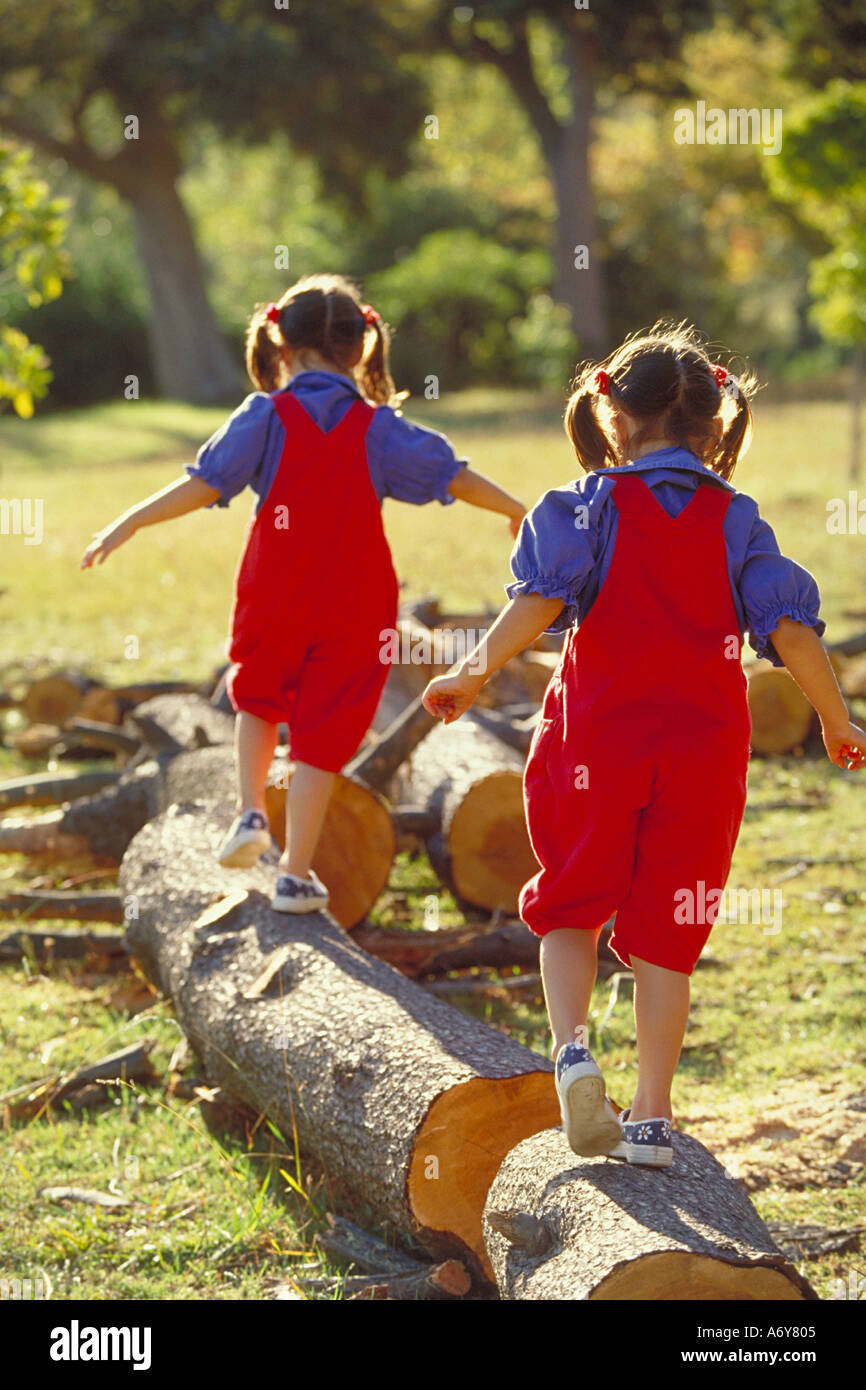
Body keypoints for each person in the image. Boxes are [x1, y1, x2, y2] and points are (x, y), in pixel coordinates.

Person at [422, 321, 866, 1169]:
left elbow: (540, 604)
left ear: (612, 415)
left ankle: (574, 1053)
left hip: (599, 732)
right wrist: (836, 720)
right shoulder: (737, 519)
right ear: (714, 421)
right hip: (701, 745)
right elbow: (791, 629)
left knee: (573, 898)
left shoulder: (584, 507)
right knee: (672, 924)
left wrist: (473, 673)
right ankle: (655, 1118)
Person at [81, 274, 526, 913]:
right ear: (360, 349)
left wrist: (128, 521)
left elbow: (206, 482)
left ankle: (250, 812)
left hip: (276, 583)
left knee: (259, 689)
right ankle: (294, 875)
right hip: (357, 594)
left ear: (282, 347)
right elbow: (453, 475)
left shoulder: (265, 413)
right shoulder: (376, 426)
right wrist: (514, 508)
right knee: (327, 725)